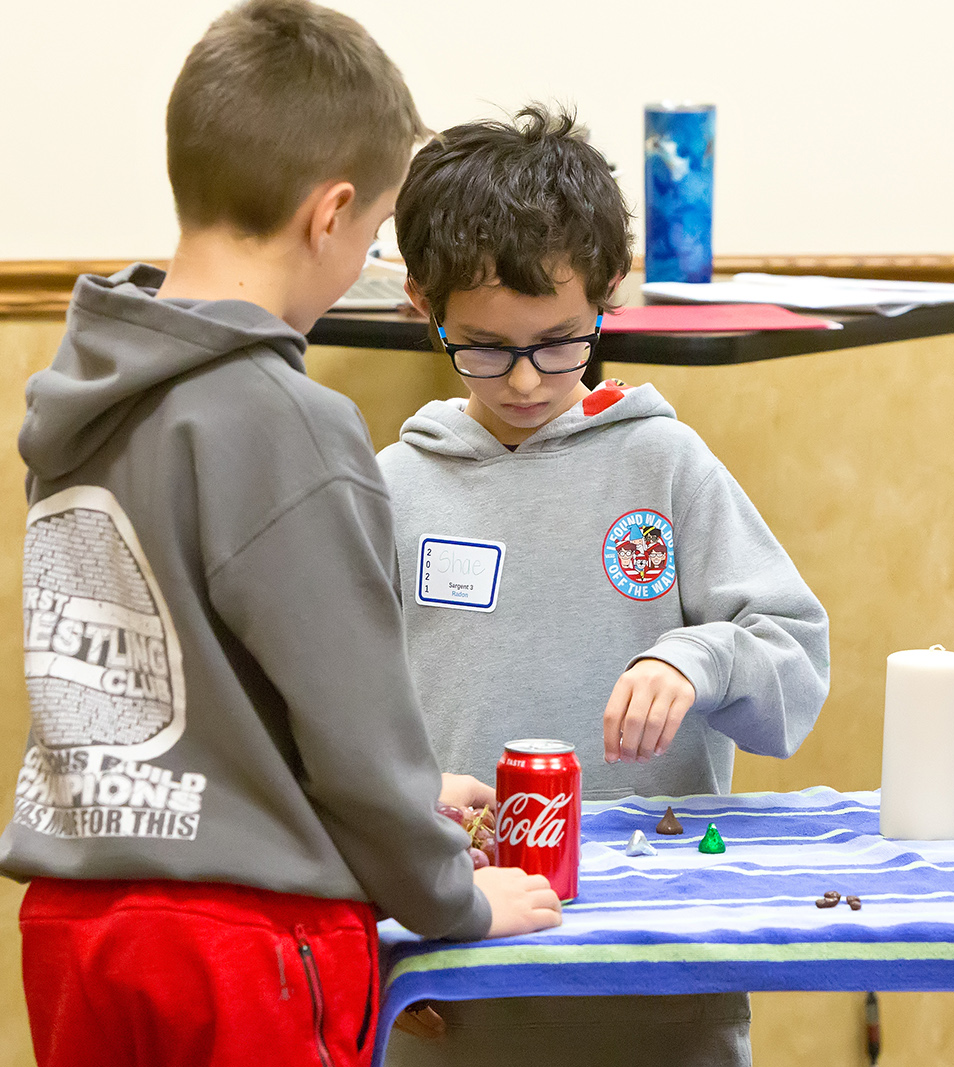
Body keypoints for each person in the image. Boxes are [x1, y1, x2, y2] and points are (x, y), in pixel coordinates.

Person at [4, 4, 562, 1065]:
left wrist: (396, 790)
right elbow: (354, 736)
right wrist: (456, 895)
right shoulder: (284, 418)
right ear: (330, 212)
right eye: (373, 233)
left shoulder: (75, 395)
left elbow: (174, 697)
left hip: (77, 927)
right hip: (244, 946)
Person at [376, 104, 830, 1067]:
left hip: (657, 987)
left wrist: (697, 656)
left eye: (560, 341)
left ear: (608, 297)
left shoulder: (664, 465)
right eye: (486, 347)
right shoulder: (389, 488)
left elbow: (794, 662)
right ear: (422, 305)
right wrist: (383, 931)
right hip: (456, 979)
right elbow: (334, 739)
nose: (530, 380)